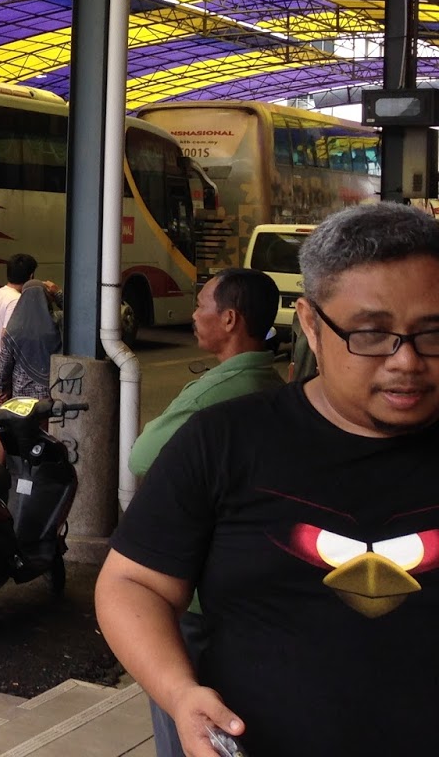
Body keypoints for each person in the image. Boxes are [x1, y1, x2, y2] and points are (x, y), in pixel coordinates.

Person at [96, 203, 439, 757]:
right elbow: (133, 583)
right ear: (309, 323)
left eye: (432, 333)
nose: (406, 361)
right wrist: (179, 693)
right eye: (371, 334)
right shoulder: (224, 440)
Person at [125, 268, 283, 757]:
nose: (193, 316)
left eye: (201, 306)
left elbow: (143, 455)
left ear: (230, 319)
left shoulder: (220, 393)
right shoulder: (271, 383)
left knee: (186, 723)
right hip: (241, 589)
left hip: (196, 596)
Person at [0, 279, 60, 403]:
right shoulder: (58, 321)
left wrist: (1, 389)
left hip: (22, 394)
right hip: (52, 391)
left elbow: (5, 363)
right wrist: (58, 294)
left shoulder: (14, 327)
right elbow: (79, 315)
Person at [0, 254, 35, 402]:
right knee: (6, 421)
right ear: (31, 277)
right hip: (0, 373)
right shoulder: (16, 300)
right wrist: (4, 383)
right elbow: (6, 339)